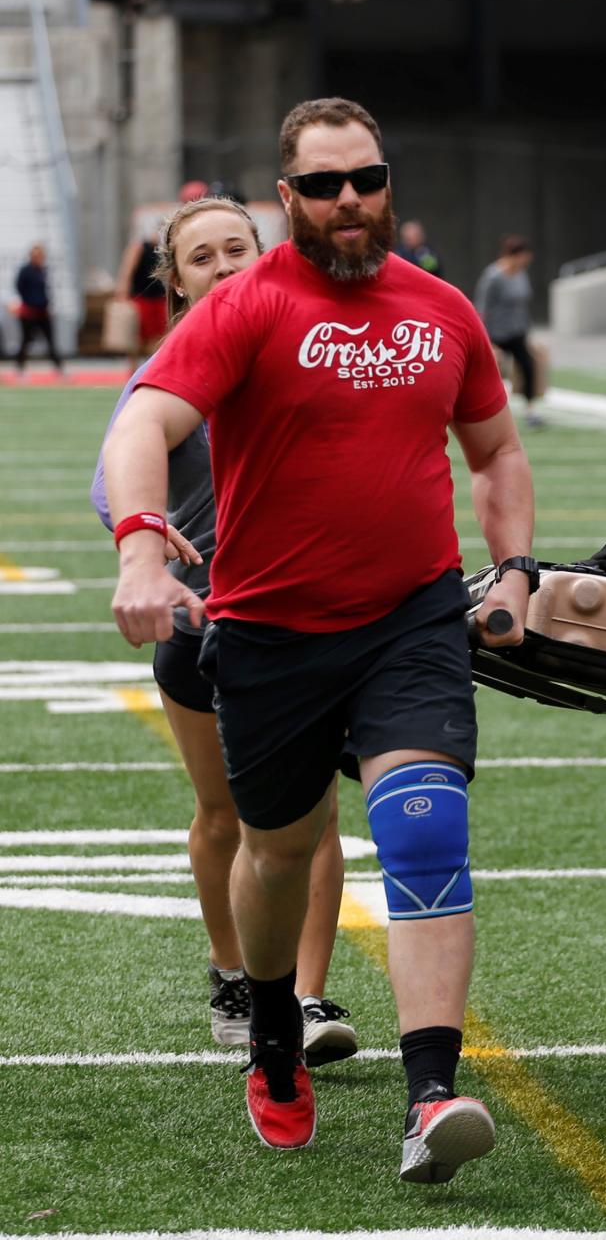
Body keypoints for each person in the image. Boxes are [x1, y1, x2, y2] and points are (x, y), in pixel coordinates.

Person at [103, 98, 535, 1179]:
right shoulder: (246, 304)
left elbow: (493, 451)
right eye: (328, 184)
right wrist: (143, 552)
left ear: (390, 186)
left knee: (426, 826)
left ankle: (431, 1093)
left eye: (370, 179)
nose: (353, 201)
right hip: (269, 630)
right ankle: (271, 1035)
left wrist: (516, 567)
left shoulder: (443, 307)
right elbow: (144, 420)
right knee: (279, 852)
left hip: (412, 616)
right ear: (289, 198)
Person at [90, 197, 357, 1069]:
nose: (223, 265)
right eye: (201, 256)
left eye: (236, 247)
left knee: (312, 819)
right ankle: (233, 973)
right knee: (223, 814)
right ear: (175, 281)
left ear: (265, 250)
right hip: (202, 619)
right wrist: (145, 543)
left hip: (310, 619)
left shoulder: (309, 339)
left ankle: (307, 997)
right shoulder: (174, 364)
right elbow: (111, 480)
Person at [474, 235, 549, 428]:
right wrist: (486, 340)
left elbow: (522, 306)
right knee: (494, 374)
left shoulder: (521, 274)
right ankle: (489, 415)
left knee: (528, 367)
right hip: (496, 333)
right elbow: (482, 308)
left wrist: (529, 334)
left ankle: (530, 411)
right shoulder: (493, 276)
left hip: (517, 331)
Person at [115, 217, 168, 376]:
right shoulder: (139, 247)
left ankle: (151, 368)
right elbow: (127, 271)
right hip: (141, 298)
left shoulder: (164, 250)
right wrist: (122, 292)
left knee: (157, 336)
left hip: (158, 297)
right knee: (138, 337)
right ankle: (134, 370)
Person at [14, 244, 65, 376]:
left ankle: (59, 369)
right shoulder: (25, 271)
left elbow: (47, 290)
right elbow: (19, 287)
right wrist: (29, 302)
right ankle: (20, 368)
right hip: (29, 312)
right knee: (26, 341)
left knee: (51, 342)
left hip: (43, 312)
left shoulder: (44, 271)